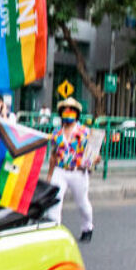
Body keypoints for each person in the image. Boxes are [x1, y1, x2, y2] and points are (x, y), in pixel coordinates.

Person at [44, 97, 95, 243]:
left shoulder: (85, 132)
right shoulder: (56, 134)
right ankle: (55, 231)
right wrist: (49, 175)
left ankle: (87, 227)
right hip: (60, 171)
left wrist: (93, 160)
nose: (68, 112)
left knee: (82, 203)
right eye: (65, 110)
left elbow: (93, 154)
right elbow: (53, 155)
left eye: (71, 110)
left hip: (78, 172)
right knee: (55, 201)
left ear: (76, 113)